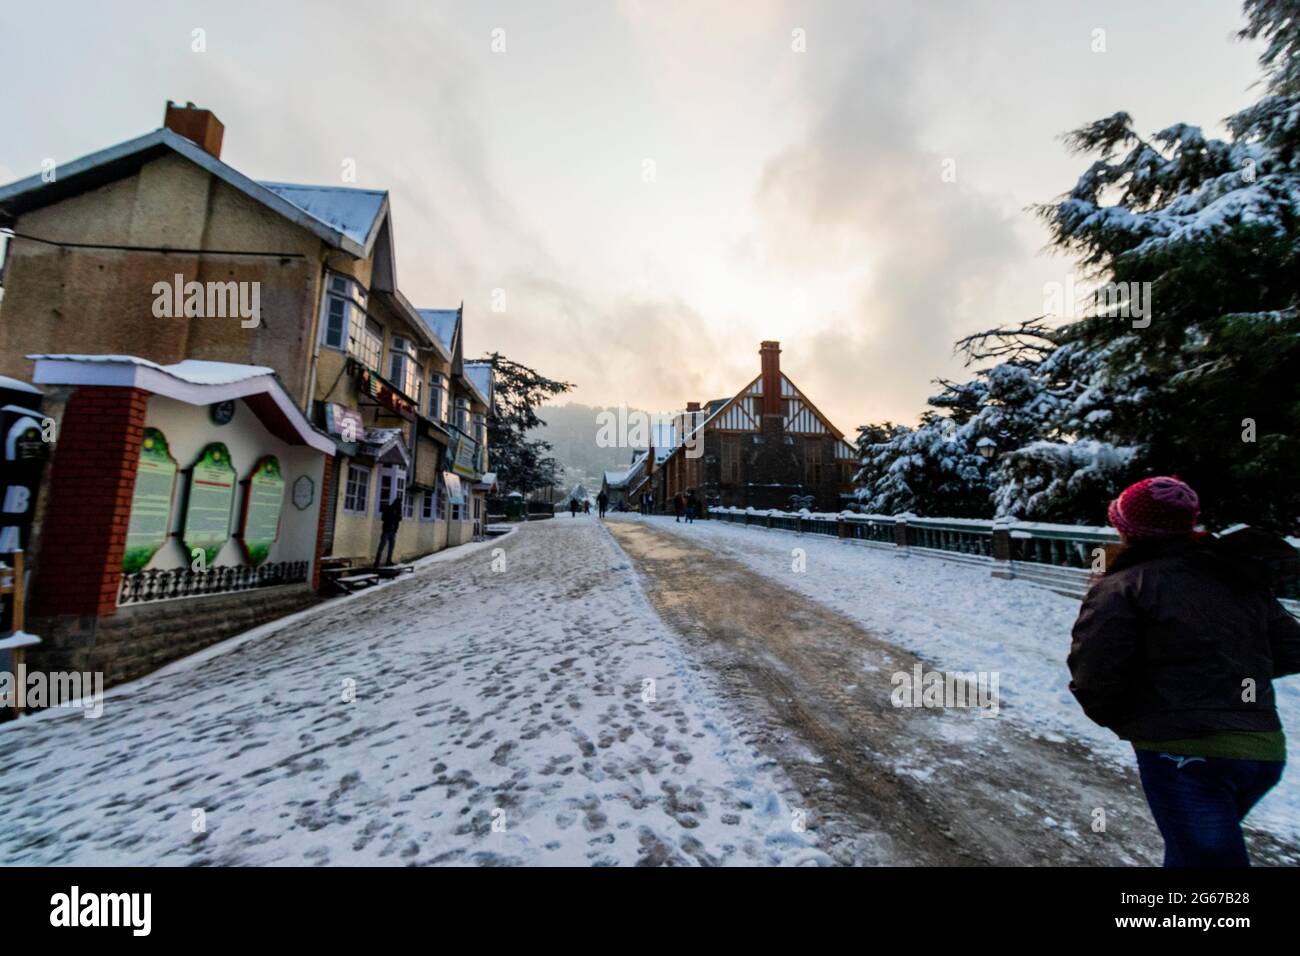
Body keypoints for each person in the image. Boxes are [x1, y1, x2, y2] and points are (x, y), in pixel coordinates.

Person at [1068, 476, 1300, 867]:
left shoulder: (1124, 585)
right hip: (1263, 751)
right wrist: (1228, 674)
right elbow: (1292, 649)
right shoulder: (1233, 572)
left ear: (1126, 529)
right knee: (1192, 853)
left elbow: (1094, 677)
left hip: (1185, 756)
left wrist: (1144, 718)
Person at [375, 493, 403, 567]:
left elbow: (399, 519)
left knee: (391, 547)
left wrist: (396, 517)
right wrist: (393, 518)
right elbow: (383, 518)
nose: (400, 506)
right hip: (387, 530)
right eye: (399, 504)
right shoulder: (388, 509)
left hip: (393, 531)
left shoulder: (397, 510)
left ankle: (388, 560)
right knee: (382, 546)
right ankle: (377, 562)